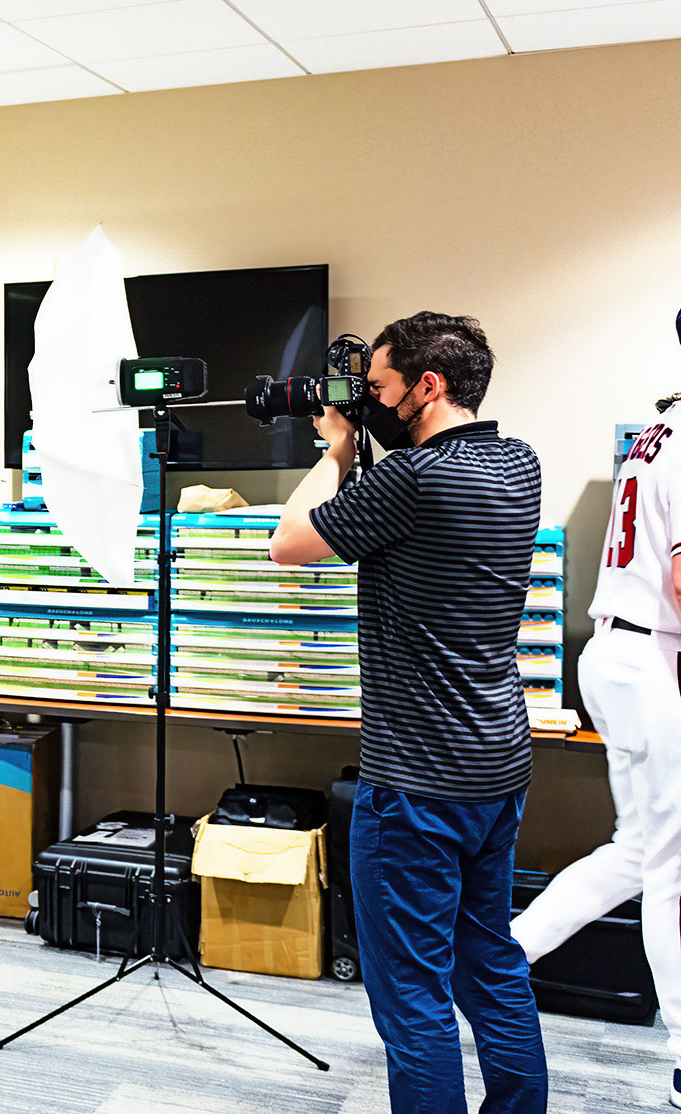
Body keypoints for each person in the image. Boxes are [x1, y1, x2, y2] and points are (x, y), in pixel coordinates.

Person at [271, 312, 546, 1113]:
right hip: (497, 765)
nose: (372, 403)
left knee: (412, 998)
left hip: (416, 783)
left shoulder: (414, 479)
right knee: (490, 964)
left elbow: (288, 544)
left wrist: (337, 449)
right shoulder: (519, 464)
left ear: (428, 386)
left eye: (381, 388)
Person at [510, 385, 681, 1108]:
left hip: (616, 654)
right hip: (651, 658)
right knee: (672, 869)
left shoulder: (658, 429)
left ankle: (502, 956)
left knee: (638, 852)